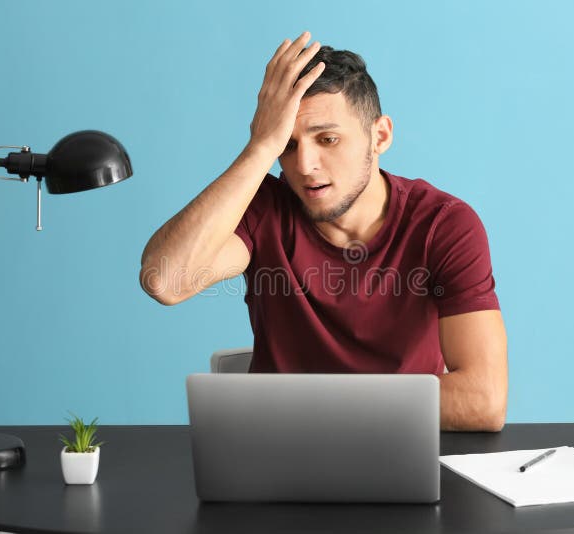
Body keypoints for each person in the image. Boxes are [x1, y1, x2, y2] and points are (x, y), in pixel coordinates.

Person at [140, 32, 507, 431]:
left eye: (327, 139)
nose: (305, 165)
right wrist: (260, 147)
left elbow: (483, 400)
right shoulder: (263, 206)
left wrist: (323, 407)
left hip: (398, 443)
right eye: (289, 145)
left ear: (379, 136)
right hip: (279, 451)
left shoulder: (443, 224)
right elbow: (165, 281)